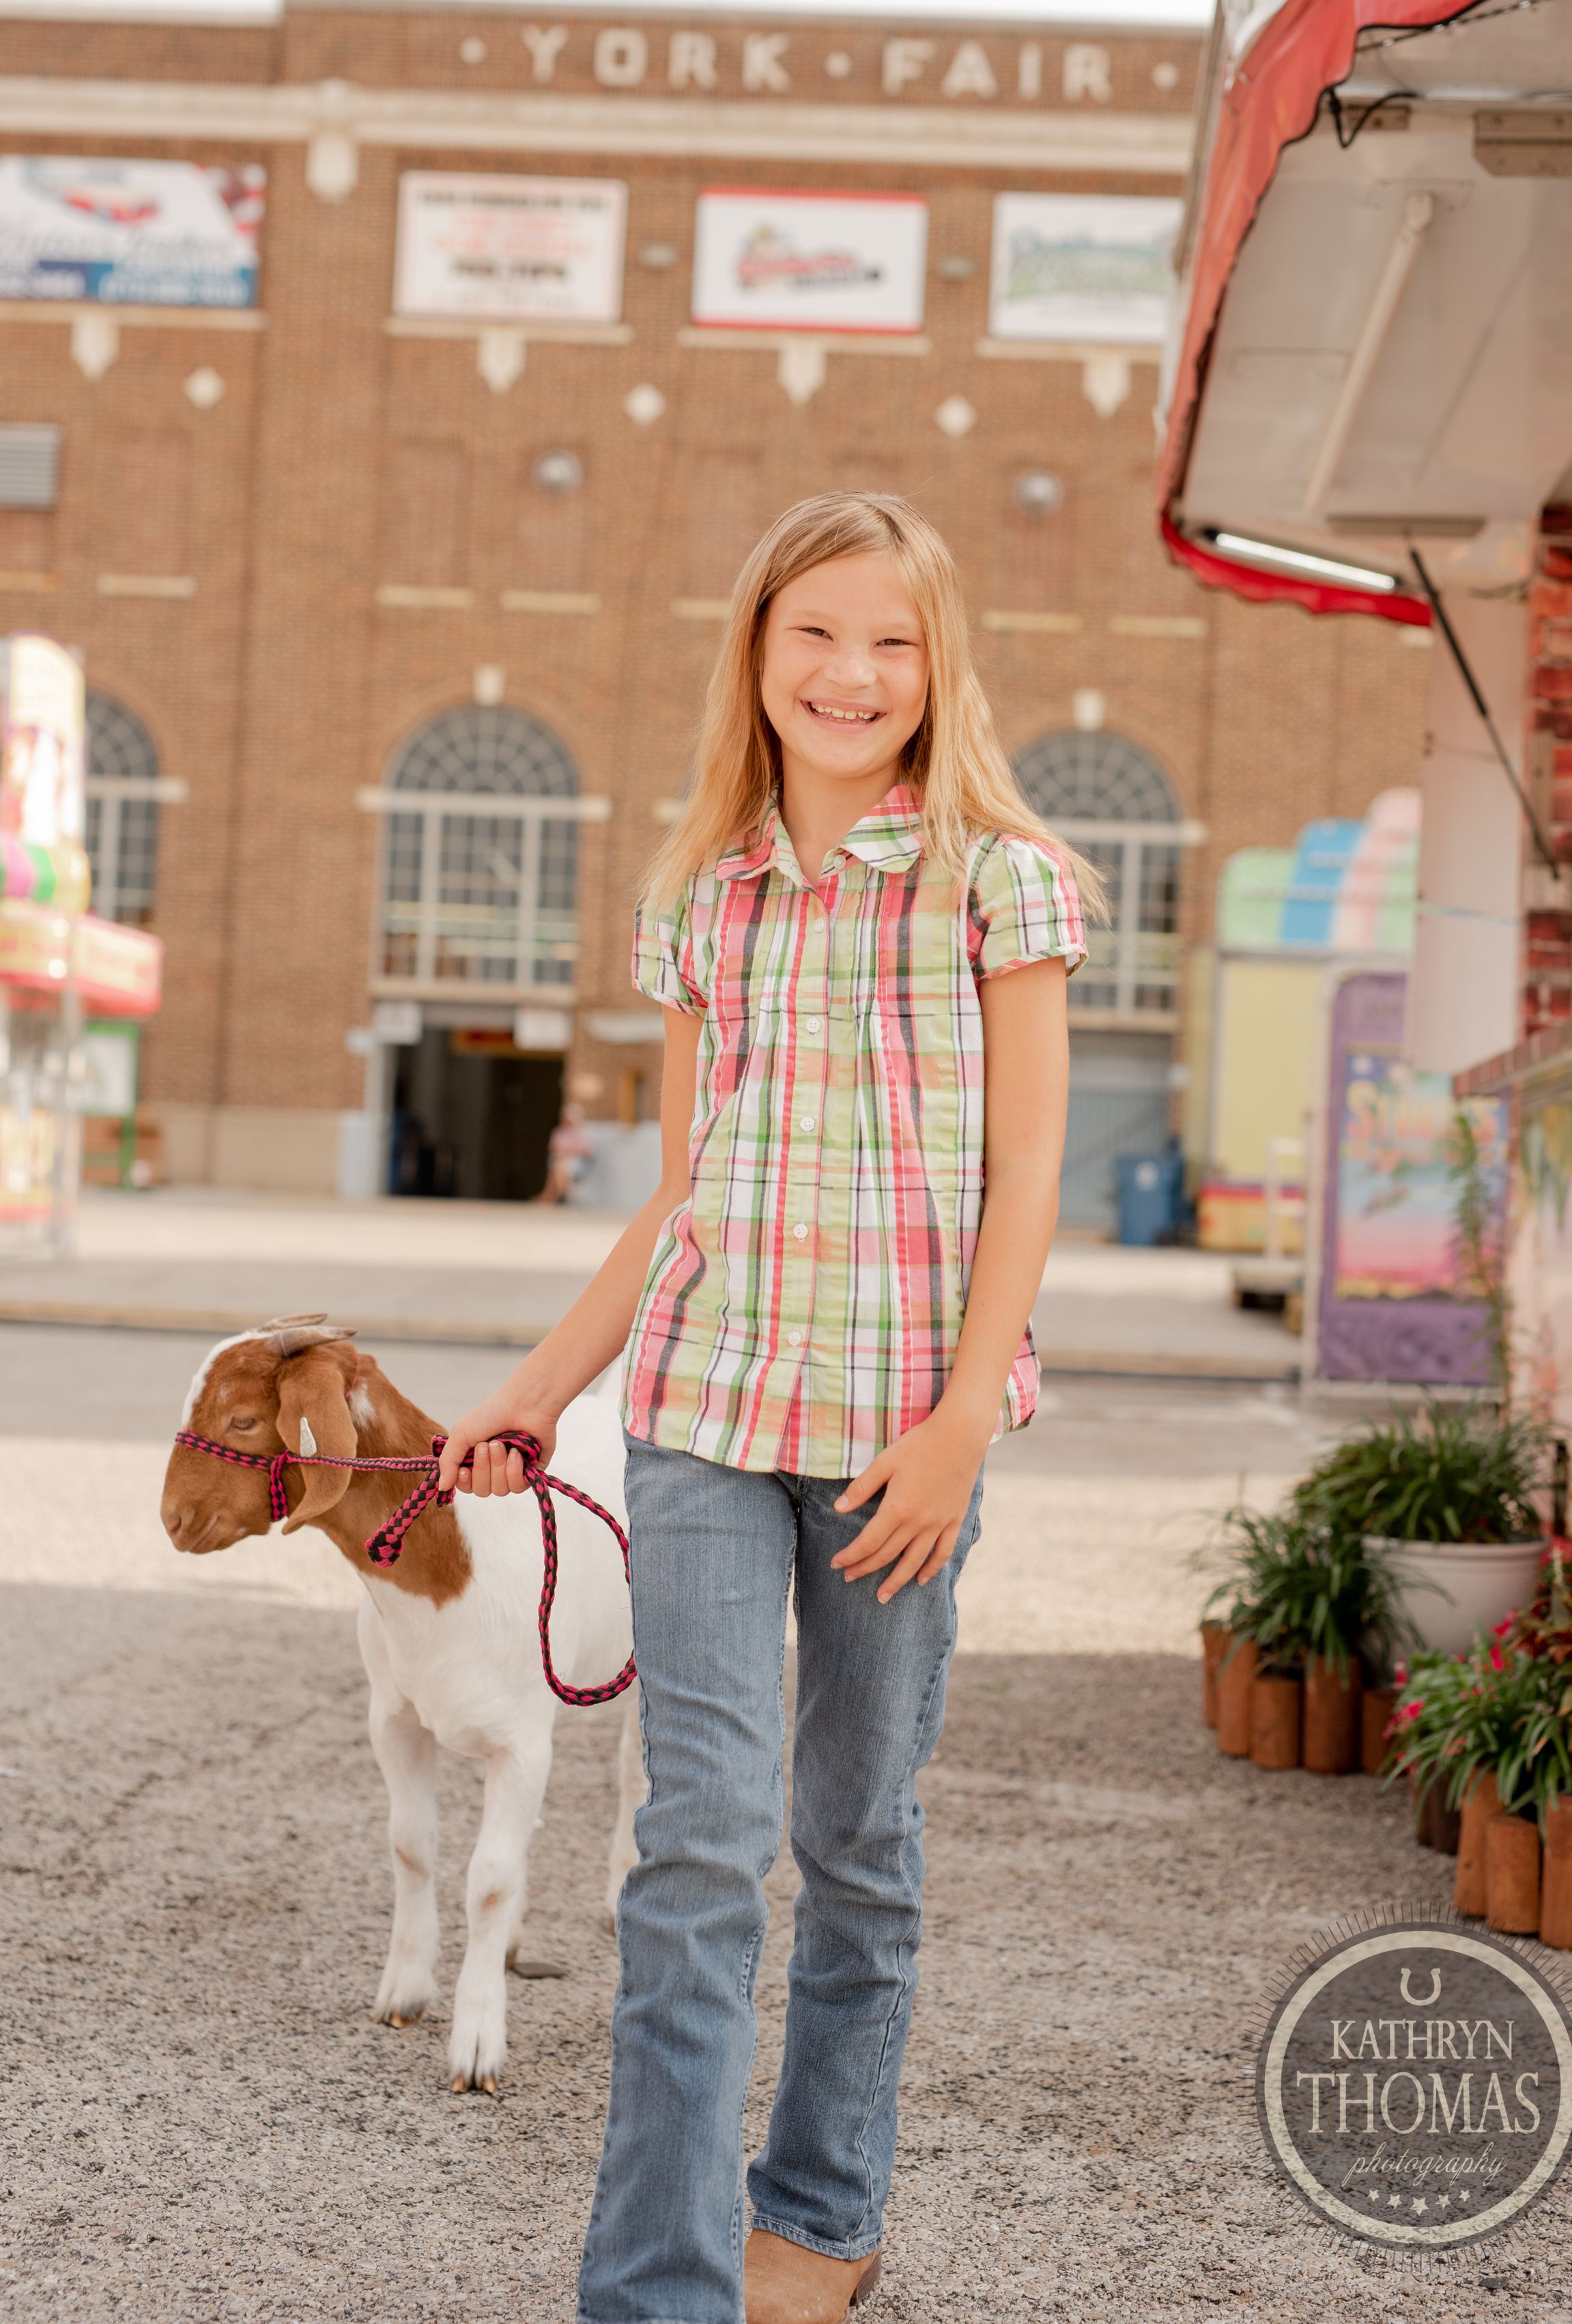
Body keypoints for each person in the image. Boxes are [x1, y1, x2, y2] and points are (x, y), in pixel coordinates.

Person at [438, 493, 1092, 2324]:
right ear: (756, 650)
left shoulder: (1001, 881)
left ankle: (820, 2206)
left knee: (857, 1842)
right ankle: (657, 2286)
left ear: (937, 667)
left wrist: (964, 1423)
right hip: (705, 1417)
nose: (850, 673)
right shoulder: (700, 896)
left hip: (901, 1445)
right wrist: (535, 1392)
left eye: (891, 640)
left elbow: (1030, 1172)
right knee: (696, 1847)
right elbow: (682, 1188)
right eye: (815, 632)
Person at [539, 1096, 593, 1205]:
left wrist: (567, 1153)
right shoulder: (559, 1131)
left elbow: (586, 1152)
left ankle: (552, 1196)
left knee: (561, 1167)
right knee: (558, 1166)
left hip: (575, 1162)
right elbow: (553, 1148)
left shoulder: (580, 1133)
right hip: (559, 1159)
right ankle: (559, 1196)